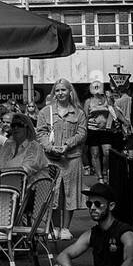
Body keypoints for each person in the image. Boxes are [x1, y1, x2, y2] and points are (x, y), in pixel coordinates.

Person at [37, 78, 85, 241]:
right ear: (54, 93)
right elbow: (41, 133)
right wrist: (50, 148)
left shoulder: (78, 112)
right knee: (54, 193)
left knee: (70, 194)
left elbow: (82, 133)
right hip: (52, 159)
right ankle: (55, 226)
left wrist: (67, 144)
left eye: (63, 90)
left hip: (72, 158)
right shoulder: (45, 112)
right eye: (57, 90)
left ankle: (65, 228)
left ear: (70, 91)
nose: (60, 93)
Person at [83, 74, 118, 182]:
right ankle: (100, 177)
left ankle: (105, 171)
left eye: (99, 87)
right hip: (92, 130)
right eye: (95, 87)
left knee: (107, 152)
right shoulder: (88, 101)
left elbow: (113, 112)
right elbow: (84, 116)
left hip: (106, 130)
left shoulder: (107, 99)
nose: (97, 89)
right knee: (95, 153)